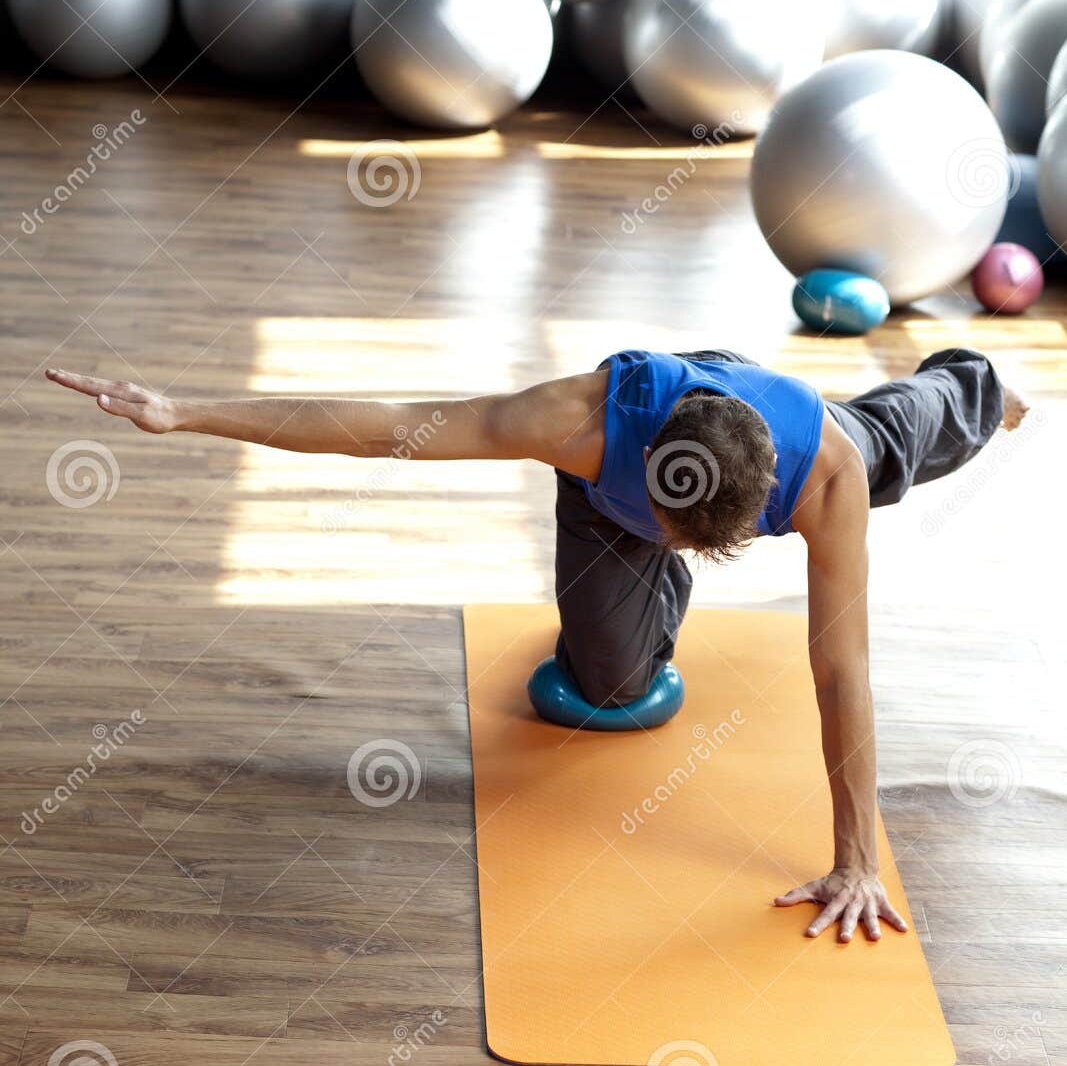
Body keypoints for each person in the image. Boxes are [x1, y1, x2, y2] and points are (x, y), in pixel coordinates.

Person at [46, 344, 1026, 945]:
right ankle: (641, 575)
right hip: (636, 473)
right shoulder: (581, 422)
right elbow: (385, 428)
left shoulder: (822, 481)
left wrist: (857, 858)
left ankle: (974, 380)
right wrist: (186, 411)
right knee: (607, 685)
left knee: (901, 434)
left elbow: (840, 667)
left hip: (786, 431)